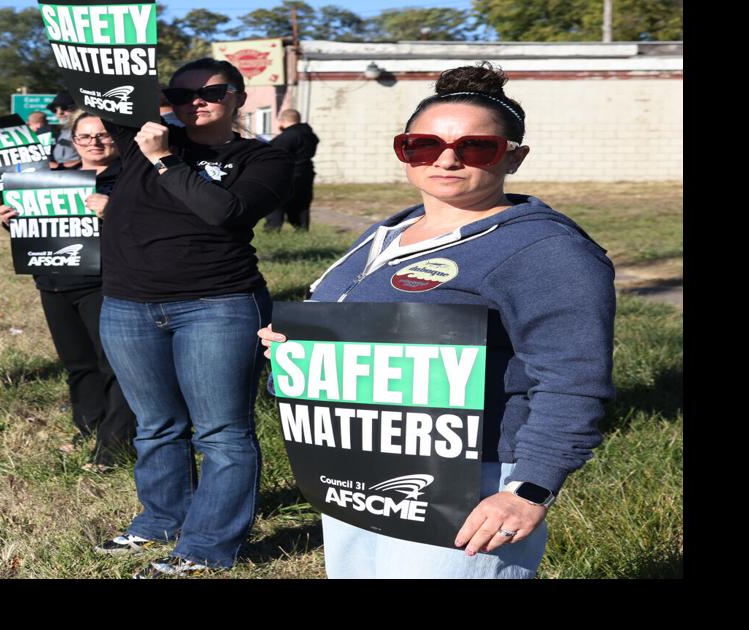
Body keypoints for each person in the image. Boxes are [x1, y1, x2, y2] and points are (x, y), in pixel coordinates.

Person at [257, 63, 616, 579]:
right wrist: (299, 348)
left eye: (476, 148)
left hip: (472, 482)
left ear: (514, 156)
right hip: (358, 470)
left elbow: (572, 382)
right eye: (423, 145)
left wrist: (529, 491)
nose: (446, 159)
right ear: (403, 151)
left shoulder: (548, 251)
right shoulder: (385, 234)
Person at [93, 57, 293, 578]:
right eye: (180, 95)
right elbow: (99, 82)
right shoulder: (145, 137)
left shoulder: (262, 158)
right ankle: (161, 520)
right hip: (128, 305)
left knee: (221, 432)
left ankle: (206, 548)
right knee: (156, 425)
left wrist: (165, 162)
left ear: (239, 97)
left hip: (218, 305)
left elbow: (224, 213)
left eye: (211, 91)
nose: (194, 102)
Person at [0, 112, 136, 469]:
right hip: (54, 282)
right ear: (73, 141)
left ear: (116, 138)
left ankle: (114, 444)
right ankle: (88, 428)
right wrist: (11, 220)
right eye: (86, 136)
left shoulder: (133, 179)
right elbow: (39, 230)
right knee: (77, 364)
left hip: (105, 283)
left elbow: (149, 229)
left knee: (114, 365)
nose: (95, 142)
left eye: (103, 135)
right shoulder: (51, 181)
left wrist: (114, 212)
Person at [264, 109, 318, 231]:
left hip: (286, 175)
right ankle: (301, 229)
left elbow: (275, 155)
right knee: (302, 204)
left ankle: (272, 229)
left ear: (283, 120)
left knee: (276, 202)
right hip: (305, 174)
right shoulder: (310, 135)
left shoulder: (287, 137)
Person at [48, 92, 82, 169]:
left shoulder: (86, 128)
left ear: (77, 108)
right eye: (54, 110)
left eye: (64, 107)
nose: (59, 113)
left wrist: (63, 166)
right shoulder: (62, 130)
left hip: (81, 174)